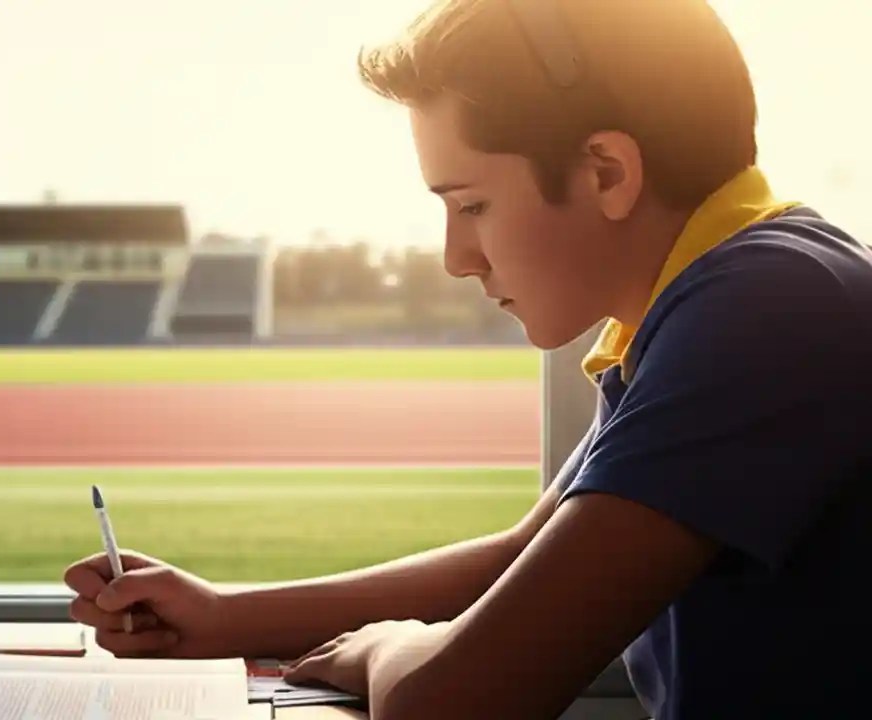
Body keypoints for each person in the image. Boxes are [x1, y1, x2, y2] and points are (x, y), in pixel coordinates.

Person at [64, 0, 872, 717]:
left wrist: (381, 647)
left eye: (472, 205)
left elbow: (449, 705)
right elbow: (527, 555)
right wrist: (224, 615)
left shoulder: (766, 310)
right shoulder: (712, 298)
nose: (457, 257)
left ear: (607, 172)